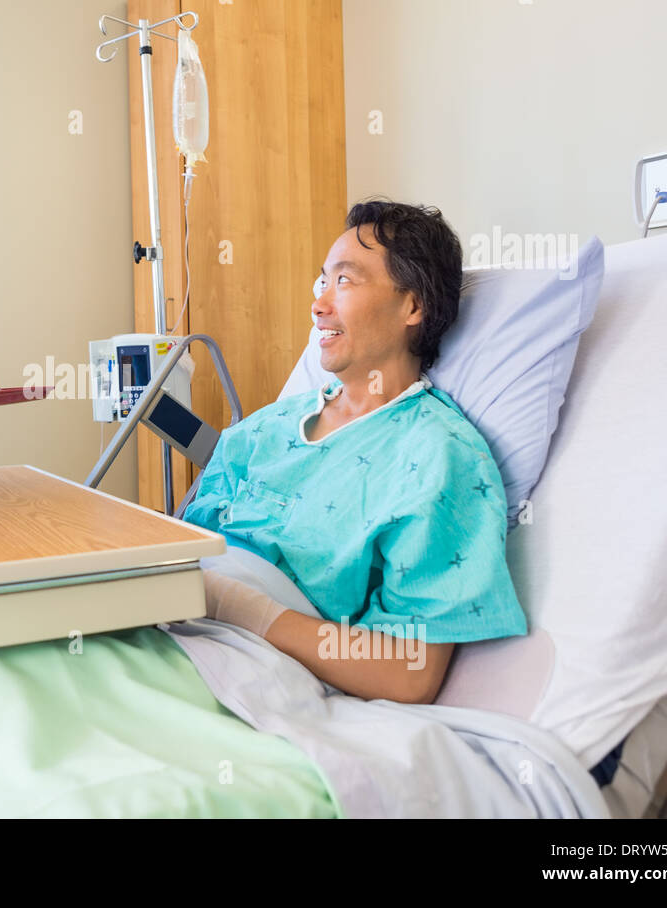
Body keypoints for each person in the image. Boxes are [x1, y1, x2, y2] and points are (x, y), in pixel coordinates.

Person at [183, 199, 527, 704]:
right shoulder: (263, 430)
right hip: (162, 628)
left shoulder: (438, 456)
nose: (319, 304)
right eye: (322, 283)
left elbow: (411, 673)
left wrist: (241, 609)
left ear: (413, 306)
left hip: (244, 671)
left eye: (344, 282)